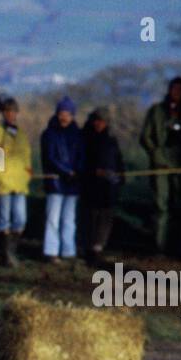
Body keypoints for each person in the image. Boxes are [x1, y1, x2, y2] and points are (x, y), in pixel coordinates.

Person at [139, 76, 181, 252]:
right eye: (173, 89)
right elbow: (145, 137)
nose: (176, 92)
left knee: (176, 203)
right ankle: (159, 245)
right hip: (160, 164)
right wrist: (156, 155)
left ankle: (174, 243)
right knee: (161, 205)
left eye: (179, 89)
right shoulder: (156, 111)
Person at [40, 95, 84, 262]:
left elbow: (82, 156)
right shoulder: (49, 134)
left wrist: (77, 171)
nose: (64, 117)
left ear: (72, 115)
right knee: (53, 218)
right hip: (55, 182)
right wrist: (67, 171)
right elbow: (49, 158)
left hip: (73, 183)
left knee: (69, 218)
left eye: (67, 113)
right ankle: (51, 251)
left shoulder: (78, 134)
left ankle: (68, 251)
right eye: (61, 113)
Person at [0, 97, 31, 267]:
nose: (10, 114)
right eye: (7, 111)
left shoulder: (21, 134)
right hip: (5, 183)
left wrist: (26, 175)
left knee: (20, 219)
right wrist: (0, 178)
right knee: (4, 219)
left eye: (13, 111)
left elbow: (26, 158)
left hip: (20, 184)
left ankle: (13, 250)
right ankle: (6, 254)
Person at [81, 106, 124, 263]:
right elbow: (81, 161)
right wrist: (93, 171)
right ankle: (89, 246)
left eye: (102, 121)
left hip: (108, 186)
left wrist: (121, 176)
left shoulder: (111, 140)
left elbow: (118, 160)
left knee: (106, 216)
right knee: (91, 216)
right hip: (91, 185)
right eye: (97, 120)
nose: (99, 124)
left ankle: (99, 246)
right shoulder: (85, 138)